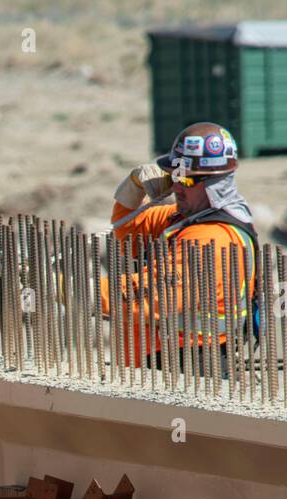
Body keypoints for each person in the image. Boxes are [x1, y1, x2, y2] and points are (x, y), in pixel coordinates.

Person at [108, 122, 259, 364]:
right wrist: (135, 186)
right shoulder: (183, 218)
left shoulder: (212, 239)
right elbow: (127, 228)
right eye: (175, 175)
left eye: (186, 180)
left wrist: (74, 290)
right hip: (168, 362)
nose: (176, 186)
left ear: (214, 184)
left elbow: (148, 296)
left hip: (194, 369)